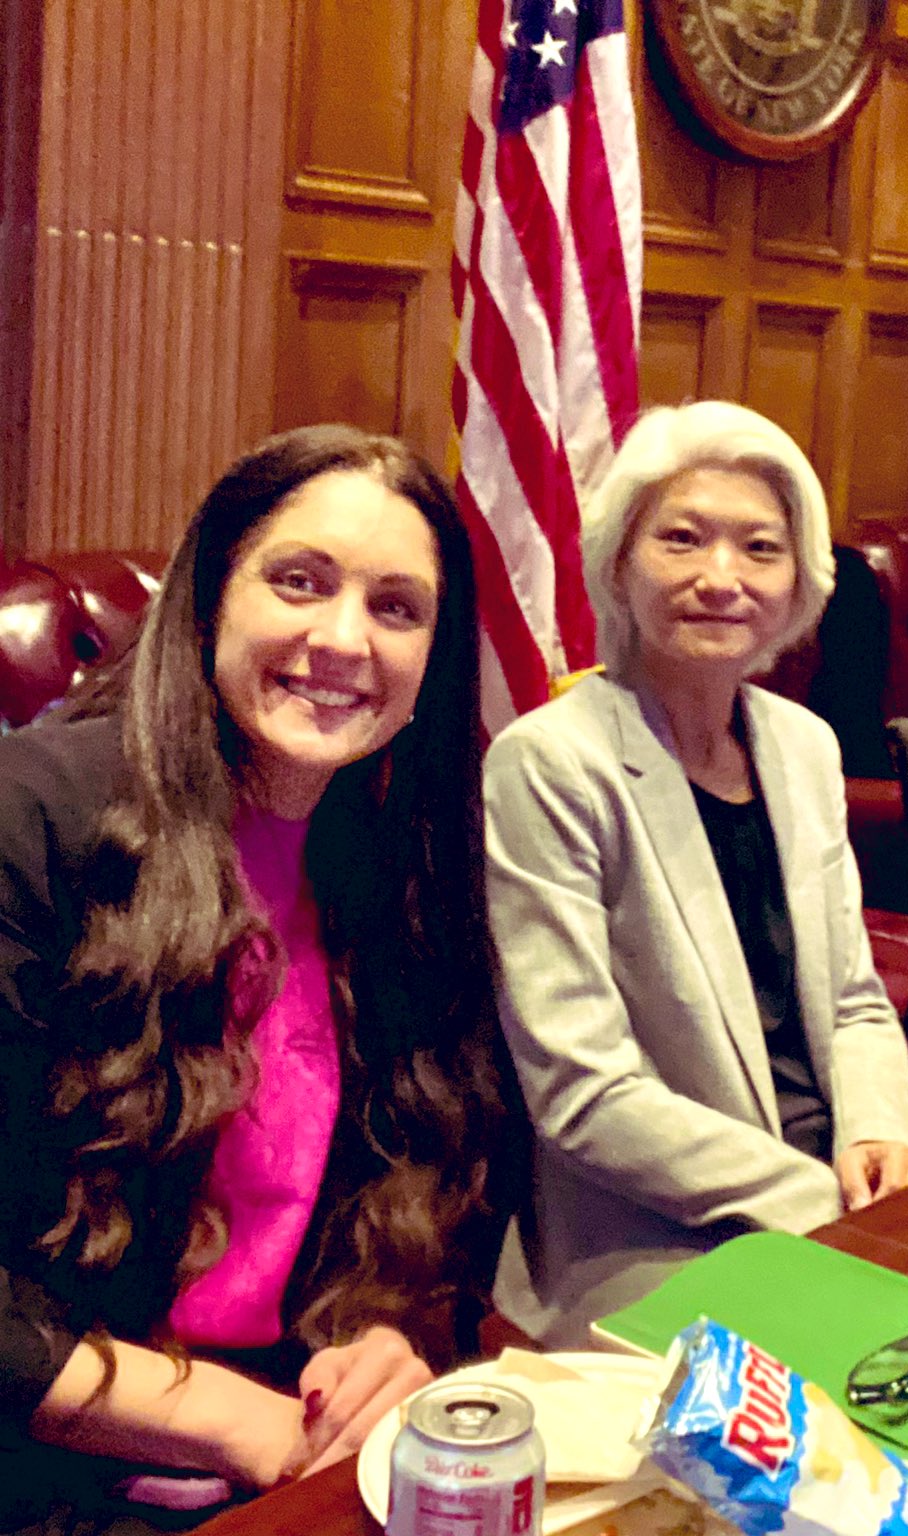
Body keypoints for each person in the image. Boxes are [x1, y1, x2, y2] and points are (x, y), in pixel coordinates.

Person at [0, 426, 517, 1533]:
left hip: (302, 1454)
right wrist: (230, 1420)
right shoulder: (27, 819)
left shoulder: (406, 861)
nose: (344, 639)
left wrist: (388, 1343)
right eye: (300, 582)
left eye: (396, 607)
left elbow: (447, 1189)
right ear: (208, 601)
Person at [485, 401, 908, 1349]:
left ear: (799, 583)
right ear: (619, 563)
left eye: (760, 549)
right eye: (681, 539)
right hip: (649, 1225)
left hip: (839, 1180)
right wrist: (819, 1204)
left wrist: (881, 1133)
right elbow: (584, 1096)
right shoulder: (550, 762)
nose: (721, 578)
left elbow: (854, 1001)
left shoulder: (804, 746)